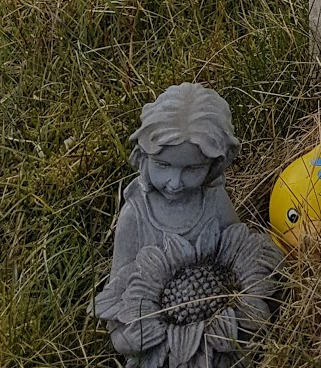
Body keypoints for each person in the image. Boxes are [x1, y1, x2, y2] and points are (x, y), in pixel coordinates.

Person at [94, 82, 241, 320]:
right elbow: (119, 290)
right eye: (162, 166)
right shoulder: (136, 214)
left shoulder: (214, 200)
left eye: (193, 169)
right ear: (144, 157)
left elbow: (239, 248)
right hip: (156, 318)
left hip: (217, 311)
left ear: (214, 165)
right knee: (128, 340)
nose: (174, 182)